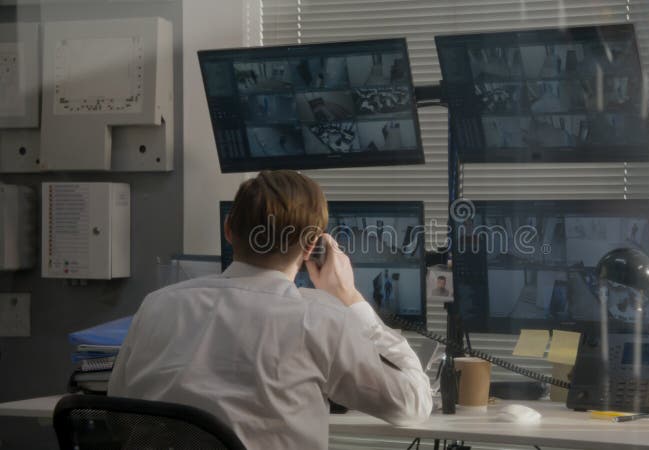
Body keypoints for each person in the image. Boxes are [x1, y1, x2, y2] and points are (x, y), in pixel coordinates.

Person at [108, 170, 432, 450]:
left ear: (228, 229)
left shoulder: (156, 305)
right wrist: (350, 297)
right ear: (312, 247)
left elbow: (117, 412)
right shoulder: (320, 320)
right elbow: (412, 403)